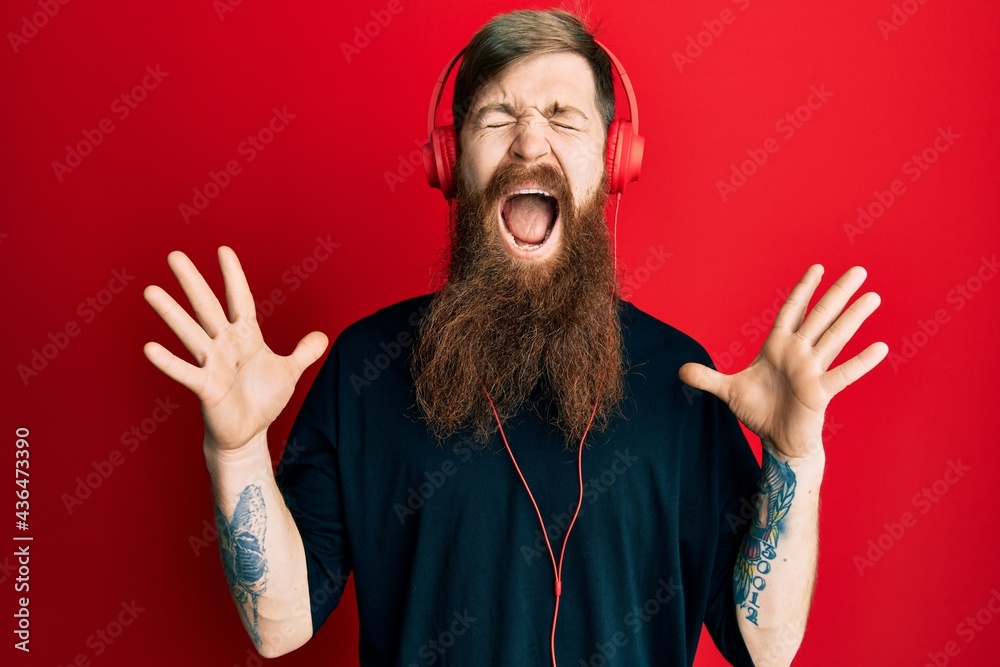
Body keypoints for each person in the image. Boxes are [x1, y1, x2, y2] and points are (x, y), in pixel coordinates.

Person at [142, 9, 887, 666]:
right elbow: (280, 627)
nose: (531, 143)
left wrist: (794, 459)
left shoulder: (686, 383)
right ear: (450, 163)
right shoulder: (366, 368)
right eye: (497, 117)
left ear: (612, 163)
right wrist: (235, 453)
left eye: (565, 117)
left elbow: (768, 644)